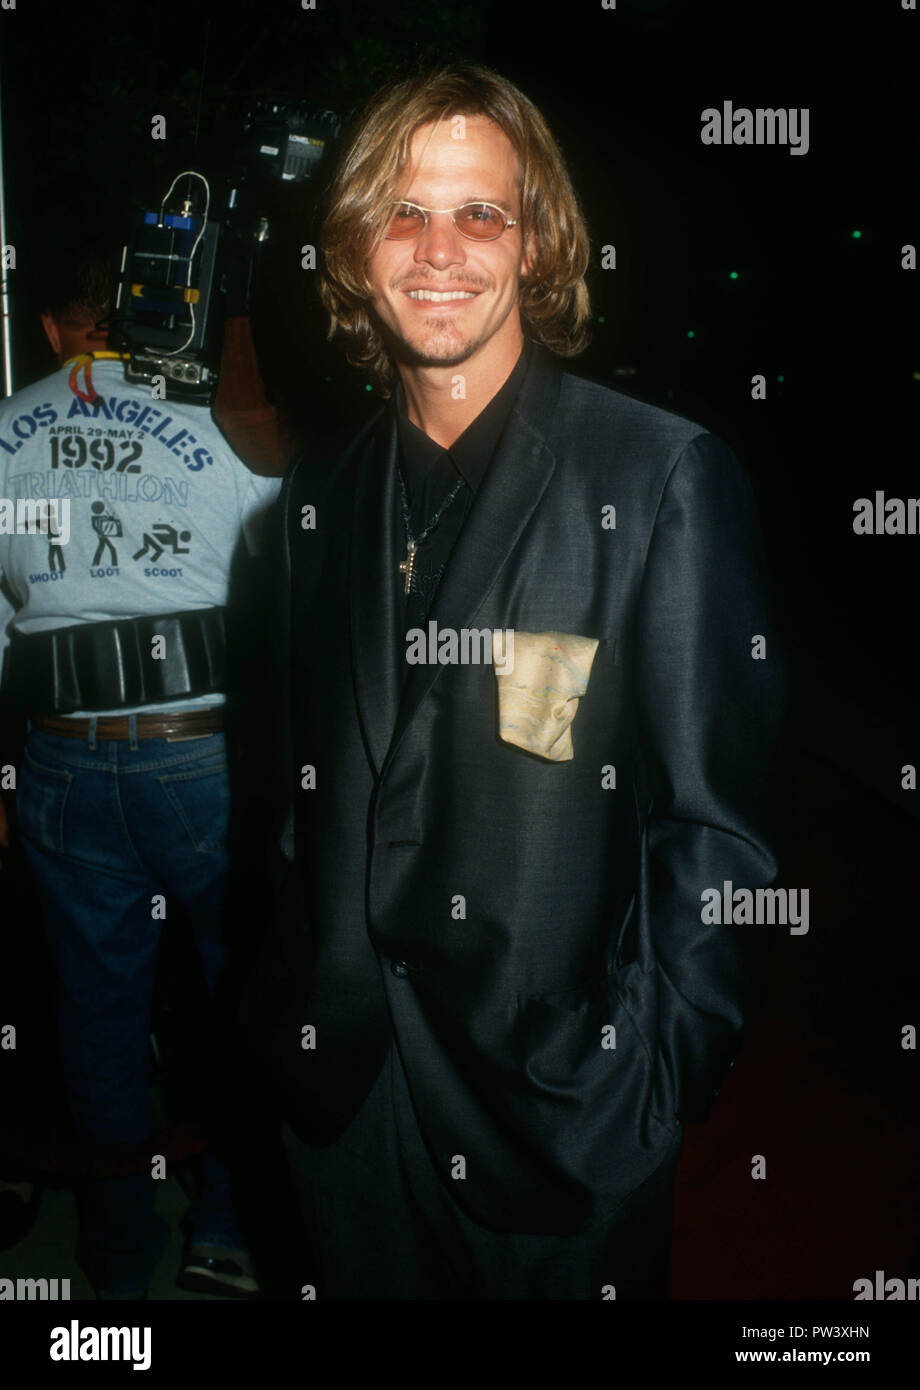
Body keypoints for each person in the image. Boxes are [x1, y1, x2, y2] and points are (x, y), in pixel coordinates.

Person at [241, 64, 785, 1300]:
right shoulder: (314, 496)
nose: (438, 250)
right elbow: (294, 801)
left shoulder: (659, 480)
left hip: (559, 1126)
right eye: (401, 211)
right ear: (350, 247)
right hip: (337, 1110)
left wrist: (649, 1082)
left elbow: (720, 839)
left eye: (479, 213)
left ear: (534, 243)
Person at [0, 244, 283, 1299]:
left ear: (51, 330)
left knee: (97, 1021)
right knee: (239, 999)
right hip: (203, 758)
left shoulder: (4, 436)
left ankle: (115, 1255)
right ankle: (226, 1232)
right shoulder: (227, 425)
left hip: (65, 764)